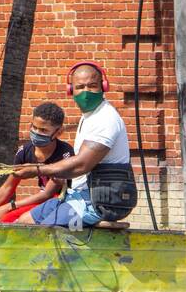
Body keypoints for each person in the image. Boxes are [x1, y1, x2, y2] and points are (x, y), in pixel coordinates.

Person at [10, 61, 132, 227]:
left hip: (99, 202)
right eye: (80, 87)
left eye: (92, 85)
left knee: (43, 234)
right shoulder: (89, 116)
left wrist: (37, 169)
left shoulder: (105, 119)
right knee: (24, 222)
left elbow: (82, 164)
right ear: (71, 90)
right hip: (78, 195)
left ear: (103, 87)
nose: (86, 92)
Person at [0, 102, 74, 224]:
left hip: (60, 201)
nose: (37, 133)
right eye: (34, 127)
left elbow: (48, 194)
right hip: (42, 201)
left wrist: (8, 206)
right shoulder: (24, 151)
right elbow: (8, 187)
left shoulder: (65, 154)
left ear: (59, 132)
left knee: (13, 220)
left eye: (43, 130)